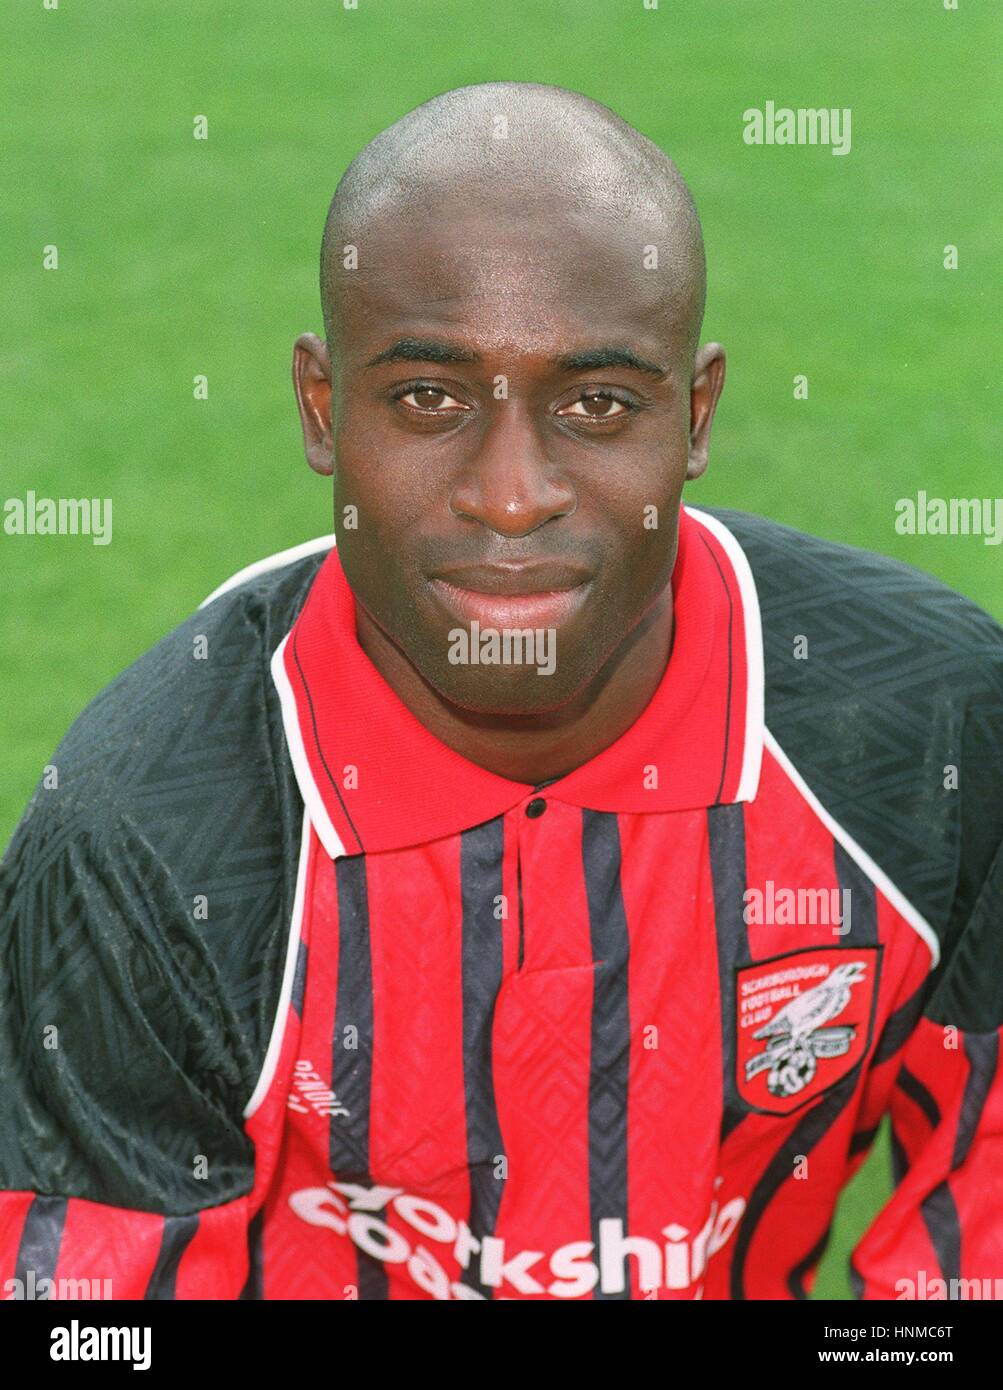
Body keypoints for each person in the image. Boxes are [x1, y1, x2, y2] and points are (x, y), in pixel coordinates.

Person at [1, 82, 1001, 1302]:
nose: (512, 493)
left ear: (694, 416)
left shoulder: (930, 730)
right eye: (429, 397)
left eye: (596, 403)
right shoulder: (144, 838)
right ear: (323, 409)